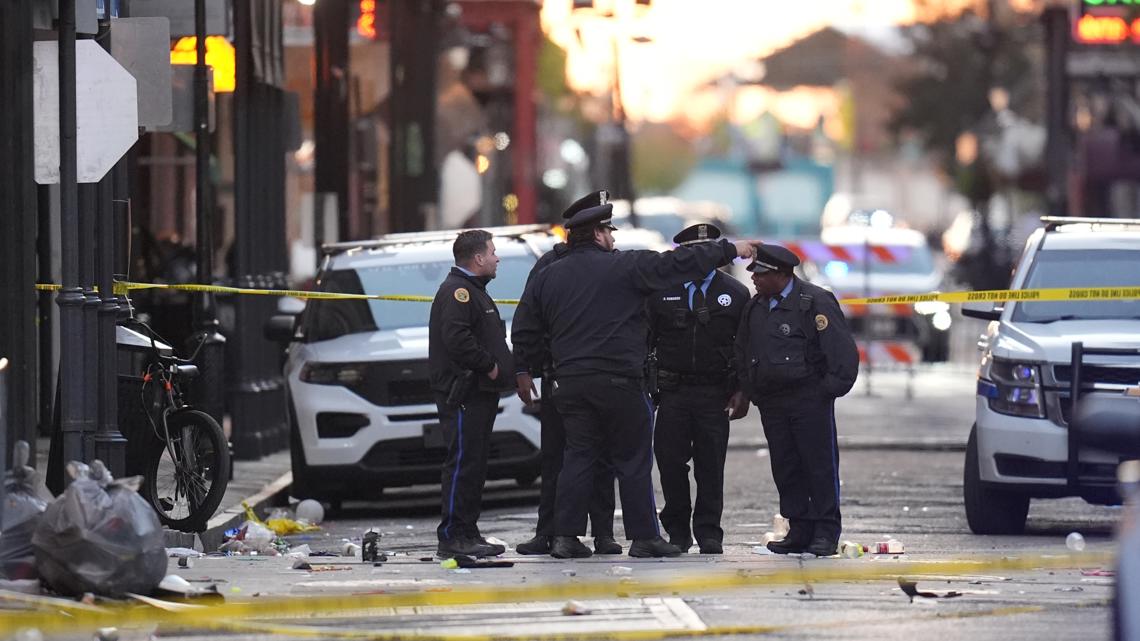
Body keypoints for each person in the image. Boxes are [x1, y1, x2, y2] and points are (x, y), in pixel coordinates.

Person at [513, 197, 756, 559]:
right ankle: (644, 537)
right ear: (597, 234)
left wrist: (523, 369)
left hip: (571, 383)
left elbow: (525, 325)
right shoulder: (625, 266)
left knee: (578, 457)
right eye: (609, 232)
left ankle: (564, 537)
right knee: (632, 459)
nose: (613, 238)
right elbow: (677, 262)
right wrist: (731, 249)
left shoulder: (549, 274)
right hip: (620, 382)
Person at [733, 243, 859, 557]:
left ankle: (825, 531)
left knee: (818, 465)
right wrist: (752, 391)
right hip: (773, 402)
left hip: (808, 400)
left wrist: (825, 391)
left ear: (782, 274)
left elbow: (841, 352)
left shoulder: (814, 301)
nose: (754, 279)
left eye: (761, 274)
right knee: (786, 467)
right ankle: (799, 528)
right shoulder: (756, 307)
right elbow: (743, 351)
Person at [514, 191, 620, 557]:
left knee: (602, 458)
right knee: (555, 458)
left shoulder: (613, 263)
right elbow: (527, 320)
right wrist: (524, 369)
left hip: (598, 374)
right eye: (603, 228)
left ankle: (603, 533)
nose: (609, 236)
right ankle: (548, 532)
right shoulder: (550, 265)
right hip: (557, 374)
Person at [646, 223, 751, 555]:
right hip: (673, 392)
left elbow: (745, 347)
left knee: (711, 466)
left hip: (714, 392)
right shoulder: (661, 290)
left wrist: (742, 390)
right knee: (670, 464)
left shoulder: (735, 293)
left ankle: (709, 532)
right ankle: (677, 530)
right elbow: (646, 339)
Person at [428, 229, 514, 559]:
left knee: (474, 464)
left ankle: (468, 532)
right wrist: (488, 365)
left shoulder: (473, 290)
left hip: (479, 393)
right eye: (492, 252)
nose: (497, 258)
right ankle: (452, 535)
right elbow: (457, 338)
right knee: (463, 462)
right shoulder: (459, 292)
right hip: (466, 392)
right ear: (478, 258)